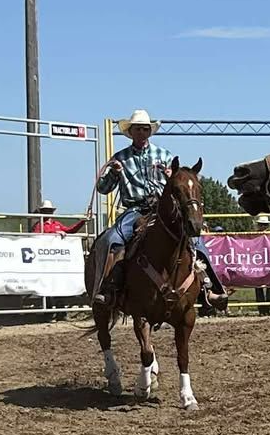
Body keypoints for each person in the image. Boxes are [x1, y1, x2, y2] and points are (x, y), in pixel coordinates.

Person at [92, 110, 227, 310]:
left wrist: (172, 175)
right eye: (138, 129)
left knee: (195, 240)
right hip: (135, 209)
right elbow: (103, 189)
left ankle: (209, 288)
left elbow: (178, 182)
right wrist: (113, 173)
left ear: (149, 131)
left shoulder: (164, 155)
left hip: (162, 208)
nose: (142, 132)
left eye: (145, 128)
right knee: (113, 239)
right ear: (131, 131)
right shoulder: (120, 158)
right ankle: (109, 288)